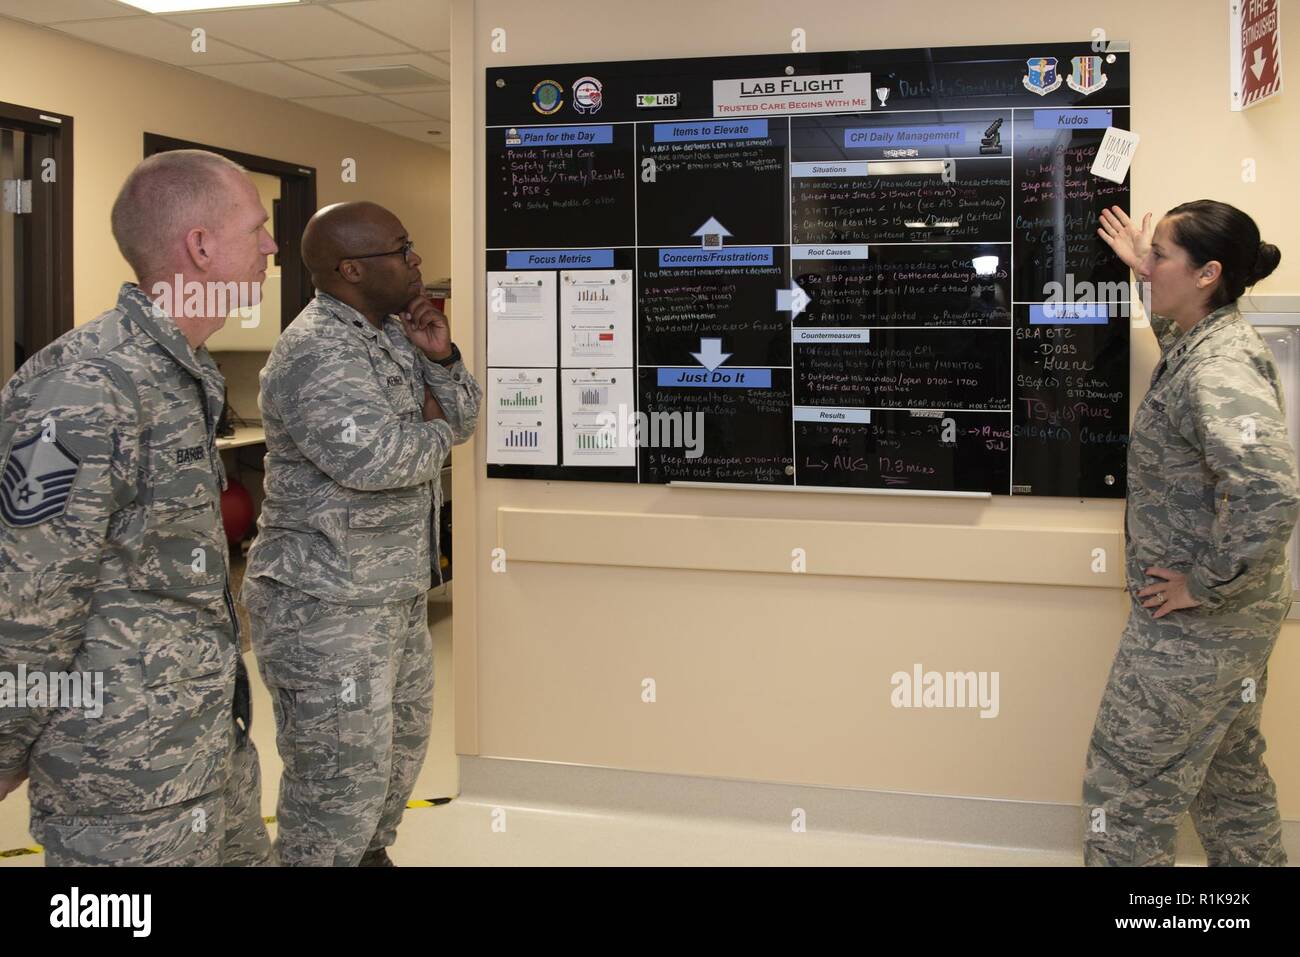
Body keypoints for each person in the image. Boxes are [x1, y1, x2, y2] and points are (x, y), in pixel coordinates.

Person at [0, 149, 275, 865]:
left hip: (206, 746)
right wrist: (5, 743)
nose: (272, 246)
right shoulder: (86, 384)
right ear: (201, 247)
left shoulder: (182, 368)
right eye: (257, 228)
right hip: (122, 779)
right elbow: (30, 594)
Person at [241, 201, 480, 866]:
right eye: (400, 249)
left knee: (393, 768)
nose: (415, 260)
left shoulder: (395, 332)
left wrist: (441, 359)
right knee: (337, 791)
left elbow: (463, 418)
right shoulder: (316, 350)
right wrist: (433, 430)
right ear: (351, 268)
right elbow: (378, 459)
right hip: (326, 607)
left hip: (393, 594)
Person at [1083, 202, 1298, 866]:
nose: (1148, 266)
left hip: (1196, 629)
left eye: (1160, 256)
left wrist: (1202, 586)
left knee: (1125, 788)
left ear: (1207, 273)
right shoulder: (1208, 340)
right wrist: (1139, 269)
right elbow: (1183, 349)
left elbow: (1269, 490)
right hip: (1232, 622)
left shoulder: (1217, 366)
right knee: (1229, 778)